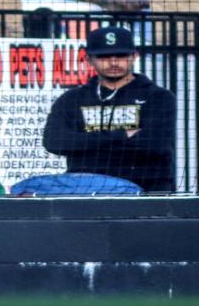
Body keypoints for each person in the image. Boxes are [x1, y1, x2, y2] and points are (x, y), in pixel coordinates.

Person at [42, 26, 176, 192]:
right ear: (89, 59)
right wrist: (122, 135)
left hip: (146, 191)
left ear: (134, 56)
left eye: (121, 55)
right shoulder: (72, 99)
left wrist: (85, 145)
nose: (113, 62)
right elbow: (54, 142)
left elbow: (155, 146)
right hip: (86, 192)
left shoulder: (158, 97)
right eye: (104, 56)